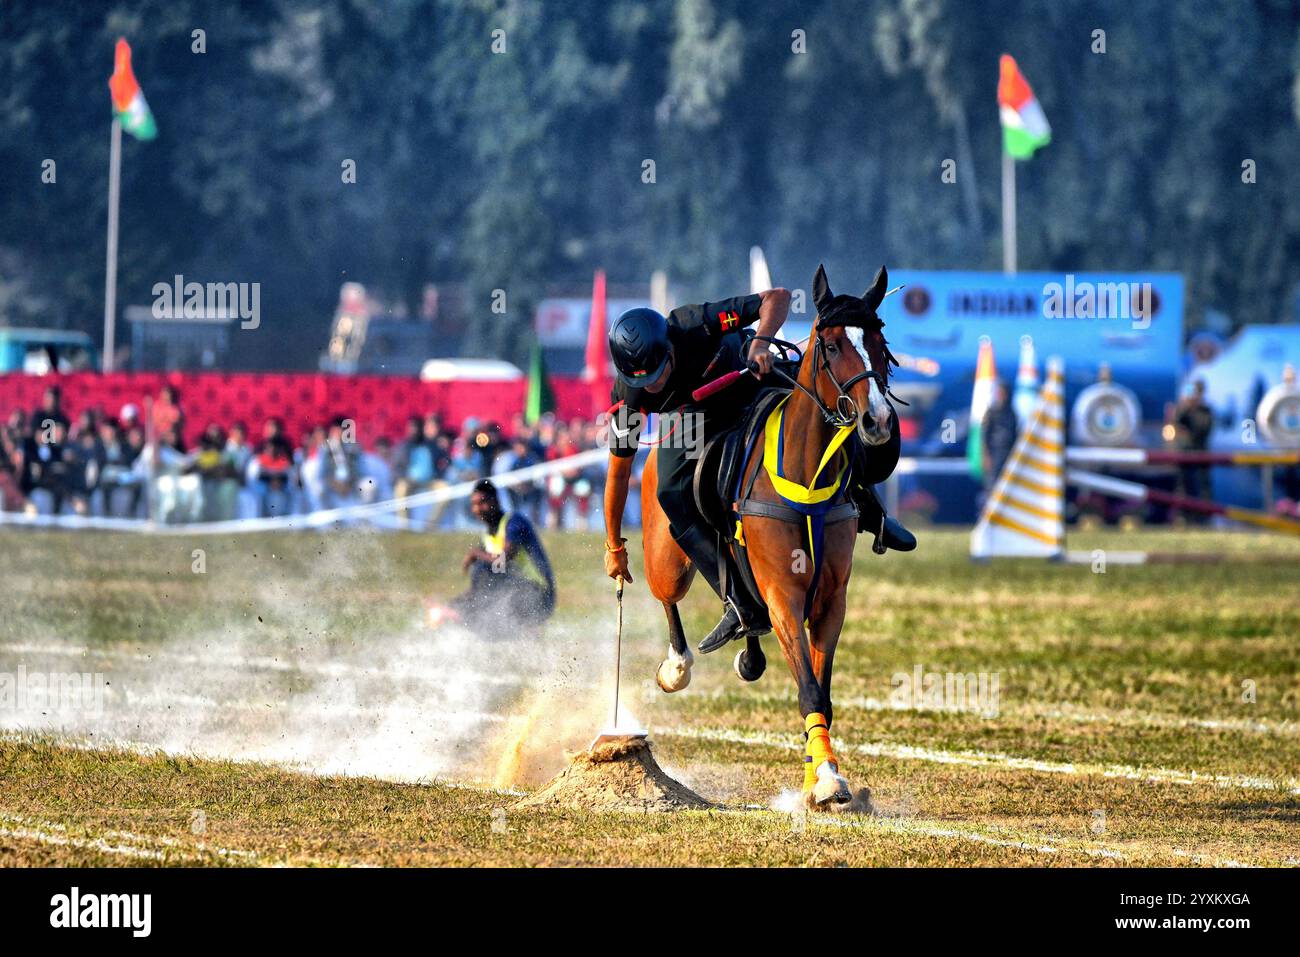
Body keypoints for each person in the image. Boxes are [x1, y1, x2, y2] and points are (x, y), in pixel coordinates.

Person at [600, 289, 913, 654]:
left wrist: (761, 342)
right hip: (690, 420)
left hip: (751, 378)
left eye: (658, 372)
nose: (652, 385)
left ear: (670, 346)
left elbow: (775, 298)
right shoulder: (628, 397)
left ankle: (871, 509)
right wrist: (614, 544)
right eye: (643, 382)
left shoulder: (692, 324)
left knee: (823, 414)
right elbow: (618, 474)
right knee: (670, 492)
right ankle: (736, 601)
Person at [449, 479, 556, 634]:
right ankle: (526, 632)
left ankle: (528, 629)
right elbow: (481, 586)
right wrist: (454, 605)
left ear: (496, 500)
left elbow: (503, 560)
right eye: (474, 504)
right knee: (470, 612)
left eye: (482, 502)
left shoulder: (514, 523)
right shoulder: (488, 535)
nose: (478, 509)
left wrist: (475, 553)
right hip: (517, 593)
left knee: (485, 568)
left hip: (540, 596)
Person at [1174, 379, 1214, 521]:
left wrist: (1194, 408)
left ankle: (1203, 517)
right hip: (1185, 455)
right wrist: (1186, 406)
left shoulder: (1206, 411)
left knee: (1203, 489)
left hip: (1201, 456)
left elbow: (1203, 430)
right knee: (1184, 486)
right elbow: (1177, 421)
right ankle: (1184, 516)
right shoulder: (1184, 409)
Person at [981, 380, 1019, 492]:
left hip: (1008, 451)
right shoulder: (992, 412)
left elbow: (1014, 432)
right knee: (992, 482)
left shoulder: (1011, 412)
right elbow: (985, 434)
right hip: (994, 451)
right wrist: (986, 454)